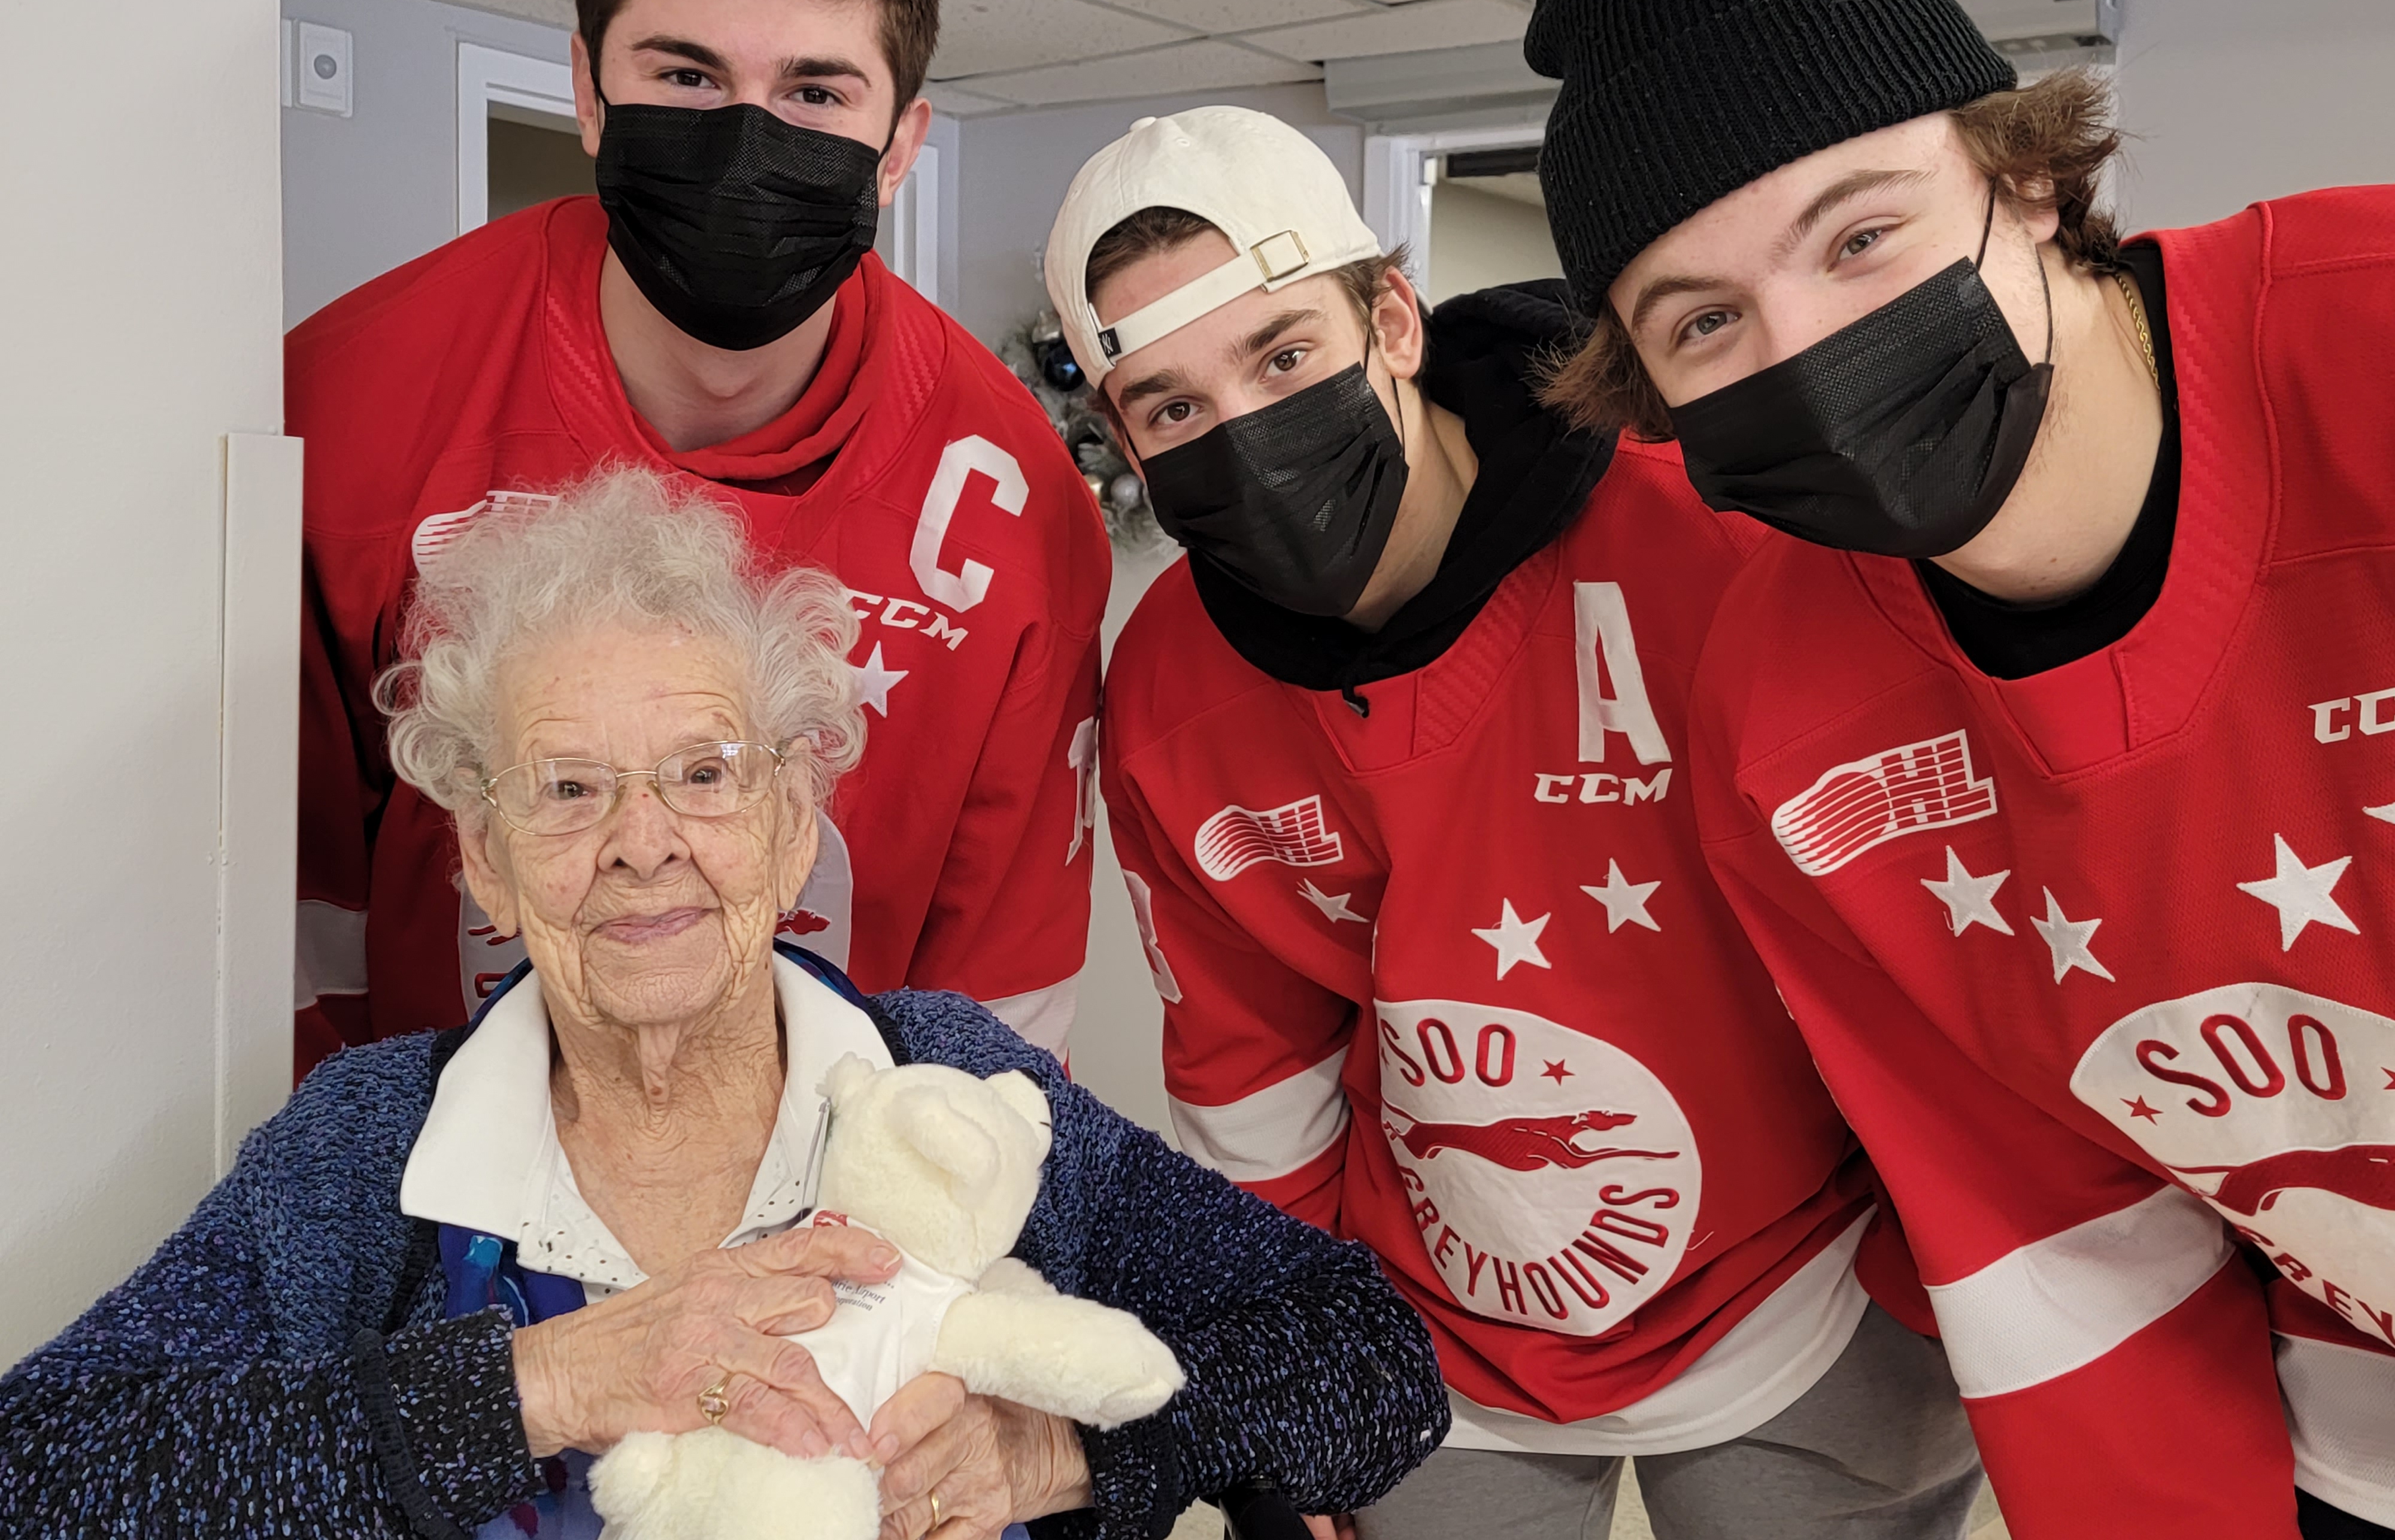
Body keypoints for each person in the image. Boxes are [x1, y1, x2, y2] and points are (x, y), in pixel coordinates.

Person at [0, 469, 1445, 1539]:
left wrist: (1054, 1455)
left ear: (792, 823)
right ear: (486, 862)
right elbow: (43, 1465)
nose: (644, 844)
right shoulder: (368, 1146)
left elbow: (1368, 1359)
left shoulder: (940, 1085)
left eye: (704, 774)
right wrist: (540, 1387)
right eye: (567, 790)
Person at [1528, 0, 2395, 1539]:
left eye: (1861, 236)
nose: (1806, 352)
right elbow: (2052, 1243)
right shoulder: (1788, 725)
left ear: (2030, 177)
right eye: (1702, 322)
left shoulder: (2367, 346)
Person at [1048, 107, 1982, 1539]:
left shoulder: (1704, 535)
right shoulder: (1173, 679)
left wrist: (1951, 1279)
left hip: (1803, 1286)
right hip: (1435, 1337)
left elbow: (1935, 940)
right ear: (1122, 435)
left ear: (1395, 321)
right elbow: (1253, 1066)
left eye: (1284, 356)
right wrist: (1294, 1385)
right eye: (1172, 409)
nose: (1246, 433)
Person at [287, 0, 1106, 1079]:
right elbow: (278, 927)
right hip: (432, 1178)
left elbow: (999, 996)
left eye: (817, 93)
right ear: (588, 91)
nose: (745, 140)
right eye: (685, 73)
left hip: (825, 1185)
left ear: (899, 144)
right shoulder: (344, 414)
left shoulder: (1016, 500)